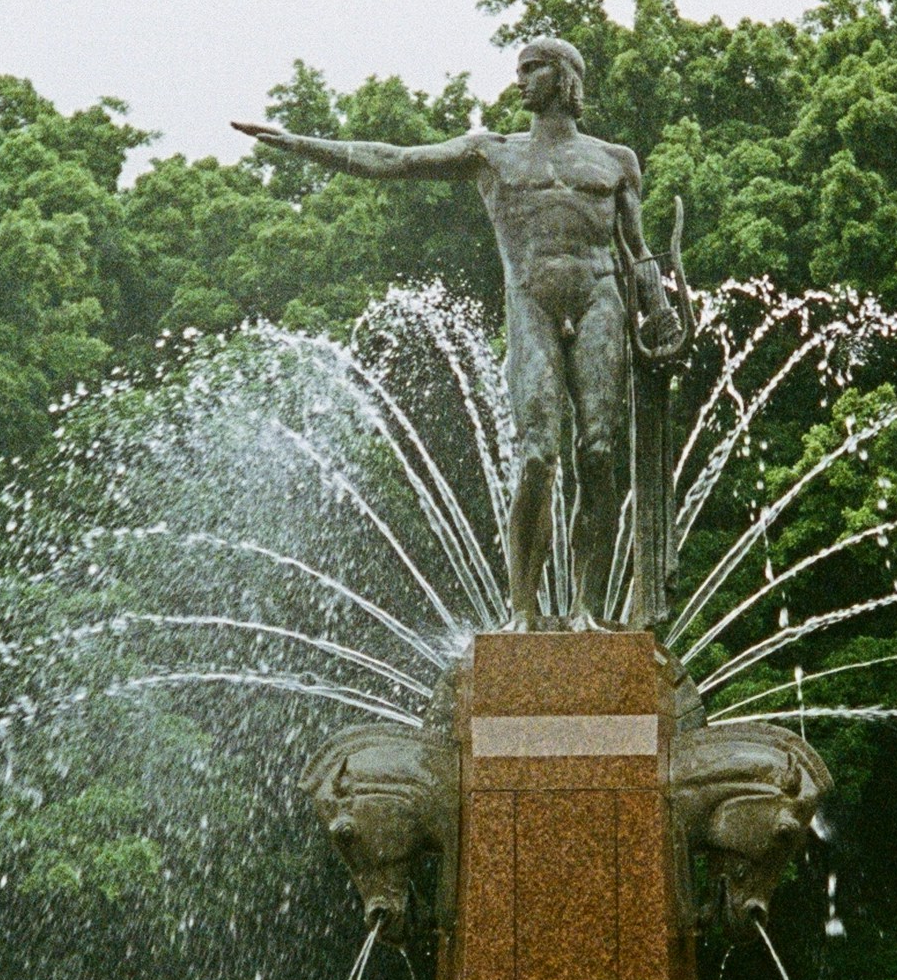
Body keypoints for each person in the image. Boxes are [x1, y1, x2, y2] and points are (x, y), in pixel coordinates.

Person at [236, 38, 670, 628]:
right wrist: (303, 145)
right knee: (539, 455)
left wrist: (660, 307)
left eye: (531, 70)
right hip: (531, 300)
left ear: (565, 76)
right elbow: (395, 160)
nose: (519, 81)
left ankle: (587, 609)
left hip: (601, 299)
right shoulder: (492, 154)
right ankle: (523, 609)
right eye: (518, 71)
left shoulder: (616, 160)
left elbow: (638, 250)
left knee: (597, 452)